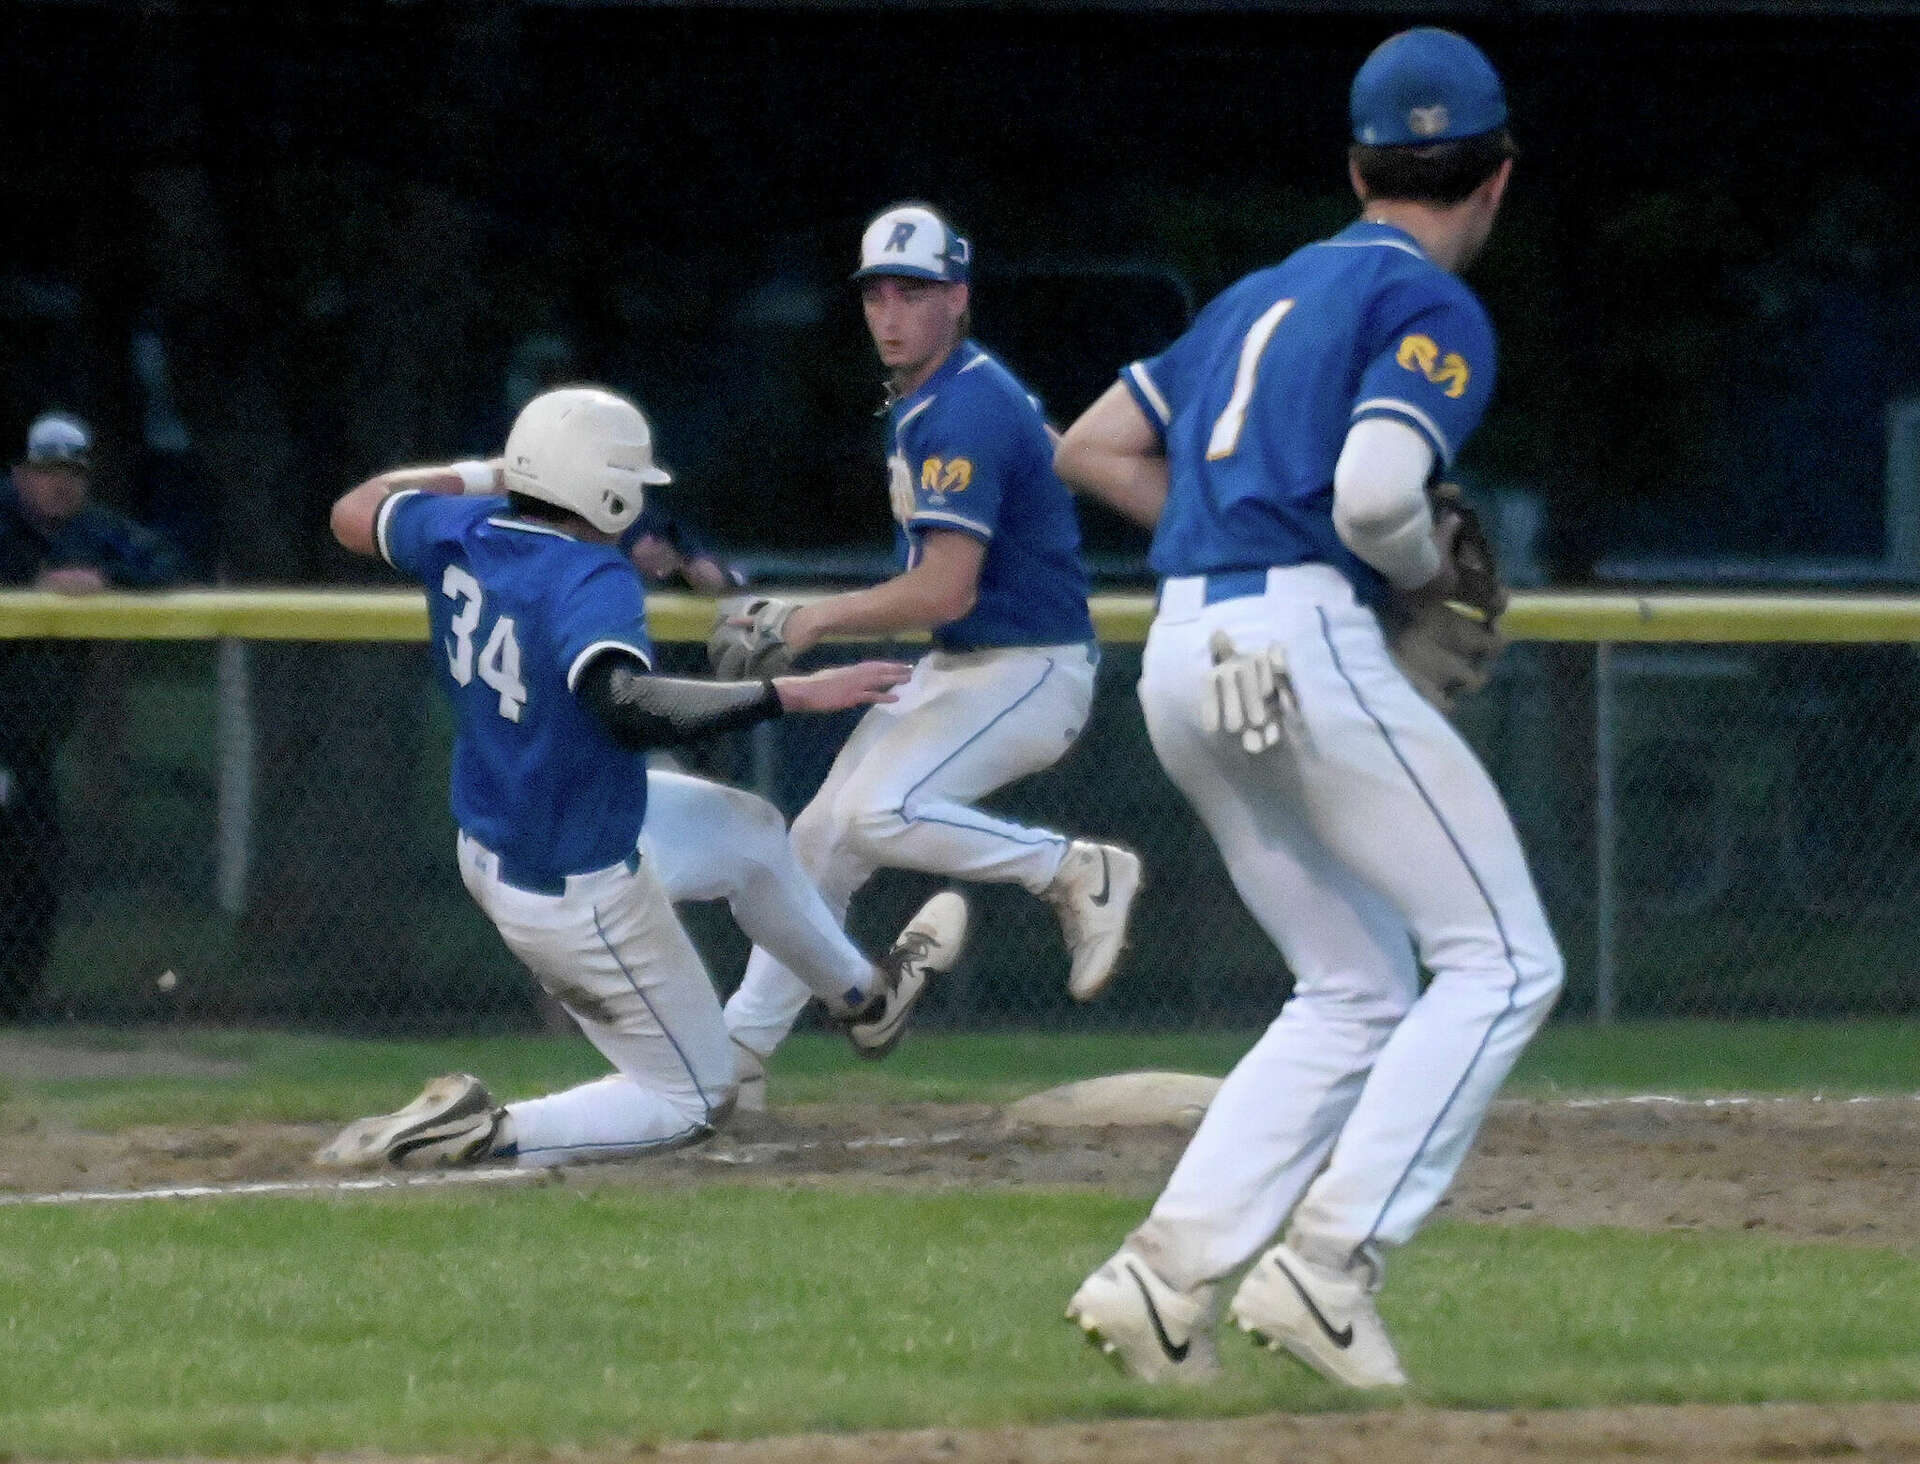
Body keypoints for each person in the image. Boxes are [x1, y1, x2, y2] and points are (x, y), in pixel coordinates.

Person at [1052, 30, 1563, 1390]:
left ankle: (1164, 1280)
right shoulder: (1433, 308)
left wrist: (1228, 538)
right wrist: (1403, 578)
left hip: (1181, 646)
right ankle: (1328, 1266)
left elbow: (1089, 444)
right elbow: (1378, 499)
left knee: (1352, 985)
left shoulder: (1256, 299)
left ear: (1355, 167)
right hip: (1298, 637)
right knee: (1506, 961)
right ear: (1498, 181)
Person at [317, 386, 967, 1169]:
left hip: (518, 827)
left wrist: (491, 474)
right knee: (694, 1100)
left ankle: (866, 999)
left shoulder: (463, 527)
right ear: (606, 490)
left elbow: (356, 510)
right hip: (573, 877)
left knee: (752, 833)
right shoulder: (592, 577)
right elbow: (625, 704)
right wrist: (792, 694)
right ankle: (484, 1132)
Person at [716, 203, 1143, 1095]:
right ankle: (733, 1062)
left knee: (878, 812)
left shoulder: (963, 407)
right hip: (973, 664)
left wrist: (807, 621)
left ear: (958, 297)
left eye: (915, 292)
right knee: (819, 841)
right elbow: (1045, 456)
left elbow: (947, 588)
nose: (892, 313)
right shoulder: (949, 397)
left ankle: (1073, 870)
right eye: (878, 294)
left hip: (1032, 669)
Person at [0, 412, 184, 1020]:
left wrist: (105, 578)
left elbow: (166, 563)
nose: (58, 485)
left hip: (31, 742)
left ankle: (14, 1001)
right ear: (22, 473)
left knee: (32, 869)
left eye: (71, 473)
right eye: (46, 471)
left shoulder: (94, 531)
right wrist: (33, 582)